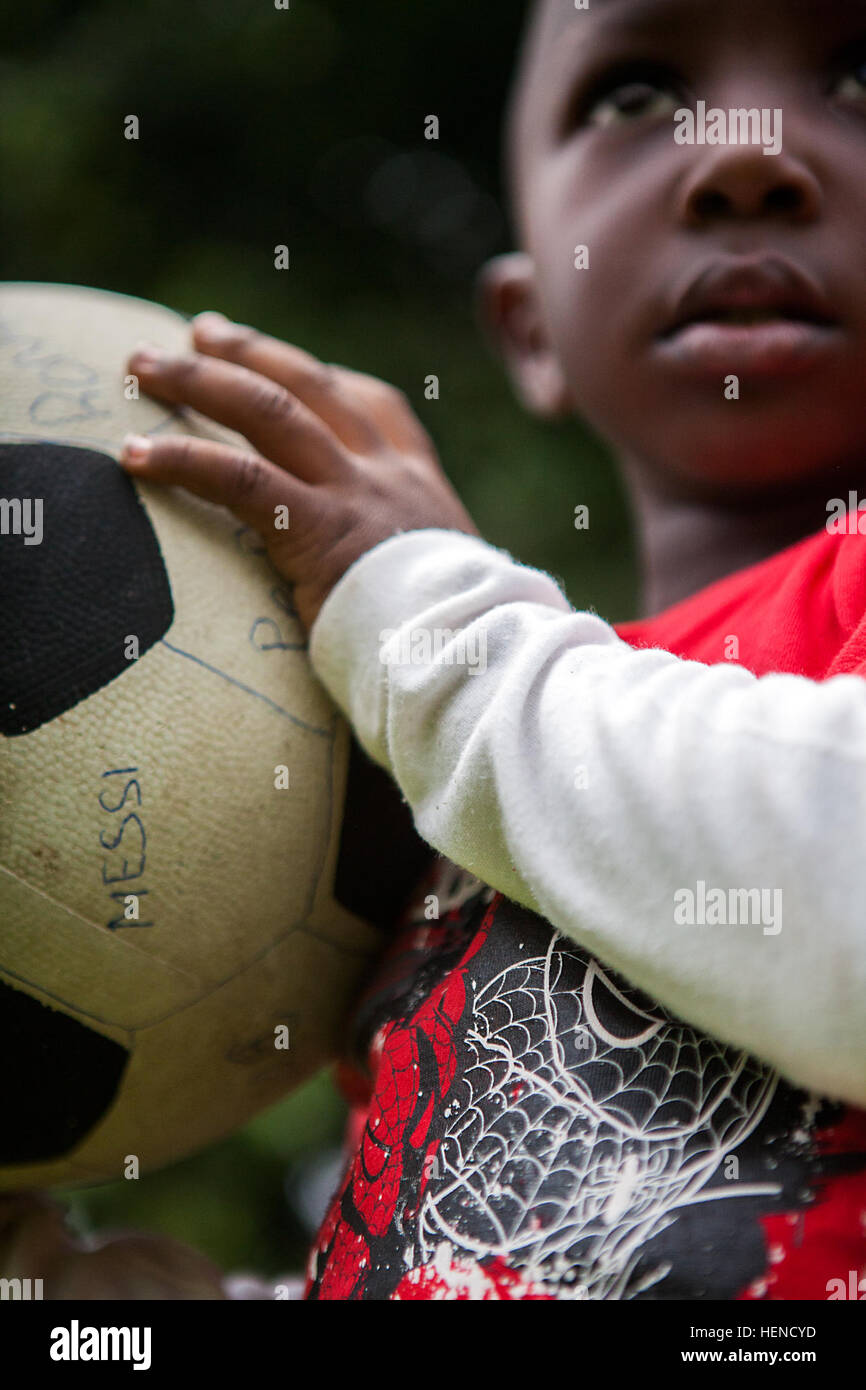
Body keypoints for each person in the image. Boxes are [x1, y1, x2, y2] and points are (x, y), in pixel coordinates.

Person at [9, 0, 866, 1298]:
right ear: (525, 326)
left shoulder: (452, 687)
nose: (743, 157)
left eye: (858, 75)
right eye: (632, 96)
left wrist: (436, 624)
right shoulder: (427, 812)